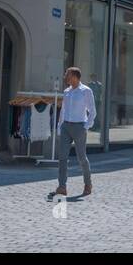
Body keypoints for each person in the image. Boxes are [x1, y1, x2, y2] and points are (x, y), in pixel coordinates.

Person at [54, 67, 95, 197]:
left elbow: (92, 111)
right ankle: (62, 186)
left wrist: (86, 126)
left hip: (79, 127)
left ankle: (88, 184)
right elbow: (63, 110)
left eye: (68, 75)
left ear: (75, 77)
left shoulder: (86, 91)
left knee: (81, 157)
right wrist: (60, 126)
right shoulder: (66, 92)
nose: (65, 77)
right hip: (66, 126)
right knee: (62, 158)